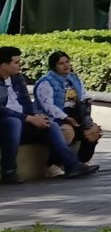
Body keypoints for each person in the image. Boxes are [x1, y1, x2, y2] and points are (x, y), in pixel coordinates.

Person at [1, 46, 94, 184]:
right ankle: (9, 171)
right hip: (6, 124)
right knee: (13, 122)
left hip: (24, 121)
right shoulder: (46, 82)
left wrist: (36, 116)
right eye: (16, 62)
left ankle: (72, 165)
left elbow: (27, 103)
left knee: (50, 124)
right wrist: (28, 118)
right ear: (3, 65)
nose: (20, 65)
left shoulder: (18, 78)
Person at [34, 52, 98, 166]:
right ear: (54, 66)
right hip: (54, 118)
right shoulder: (46, 82)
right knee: (67, 132)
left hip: (74, 115)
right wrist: (66, 118)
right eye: (61, 63)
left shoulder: (74, 78)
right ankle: (53, 164)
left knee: (93, 131)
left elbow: (82, 95)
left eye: (67, 62)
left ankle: (81, 161)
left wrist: (86, 104)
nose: (66, 65)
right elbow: (48, 107)